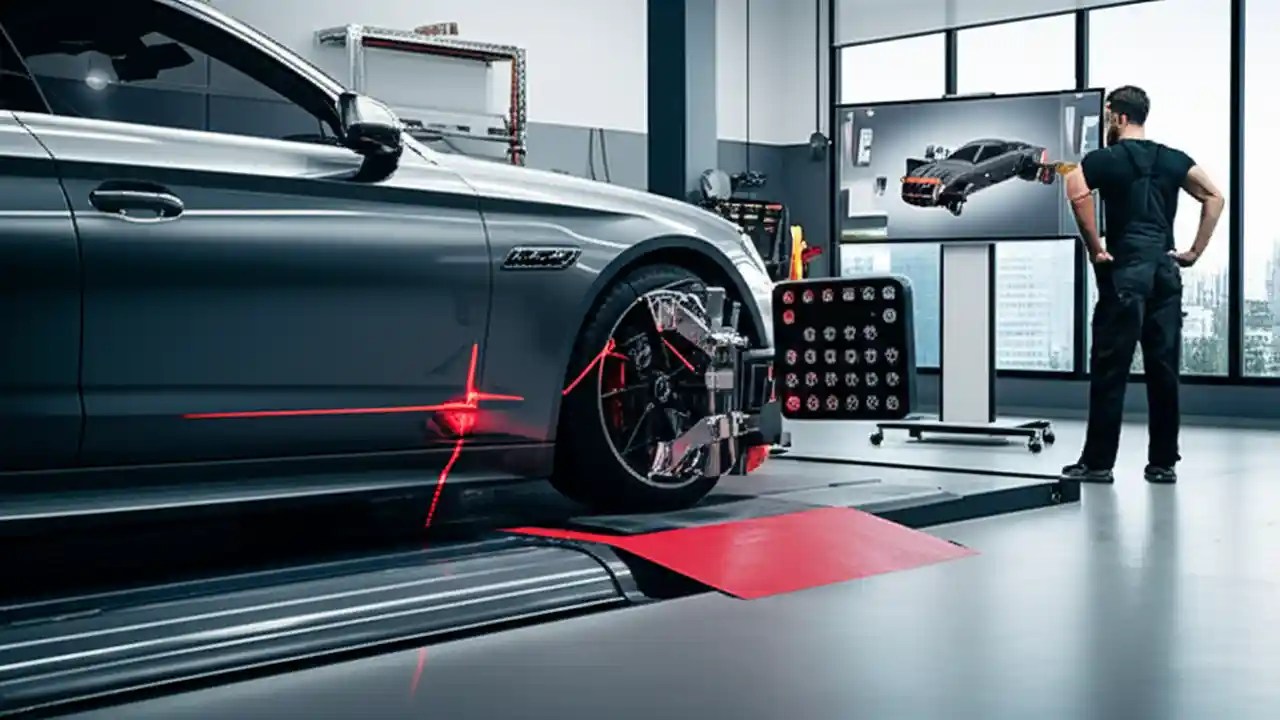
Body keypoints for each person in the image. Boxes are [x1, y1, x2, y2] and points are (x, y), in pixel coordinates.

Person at [1059, 86, 1225, 484]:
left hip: (1125, 273)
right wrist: (1194, 252)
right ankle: (1163, 463)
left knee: (1110, 368)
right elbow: (1215, 196)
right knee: (1164, 369)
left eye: (1106, 116)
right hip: (1166, 273)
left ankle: (1098, 463)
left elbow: (1075, 188)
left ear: (1117, 116)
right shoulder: (1172, 159)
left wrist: (1095, 247)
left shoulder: (1105, 159)